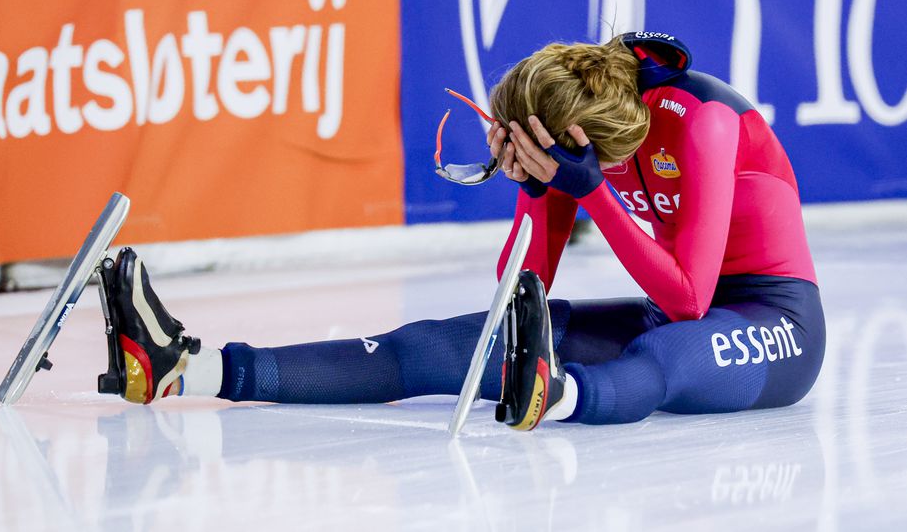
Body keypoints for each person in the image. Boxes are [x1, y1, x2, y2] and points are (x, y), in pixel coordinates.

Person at [98, 32, 825, 430]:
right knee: (451, 342)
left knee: (665, 349)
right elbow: (521, 294)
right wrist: (535, 190)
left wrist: (589, 192)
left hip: (773, 321)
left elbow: (690, 300)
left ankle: (562, 397)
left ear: (575, 138)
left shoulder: (701, 122)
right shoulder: (580, 153)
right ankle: (190, 366)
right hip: (670, 309)